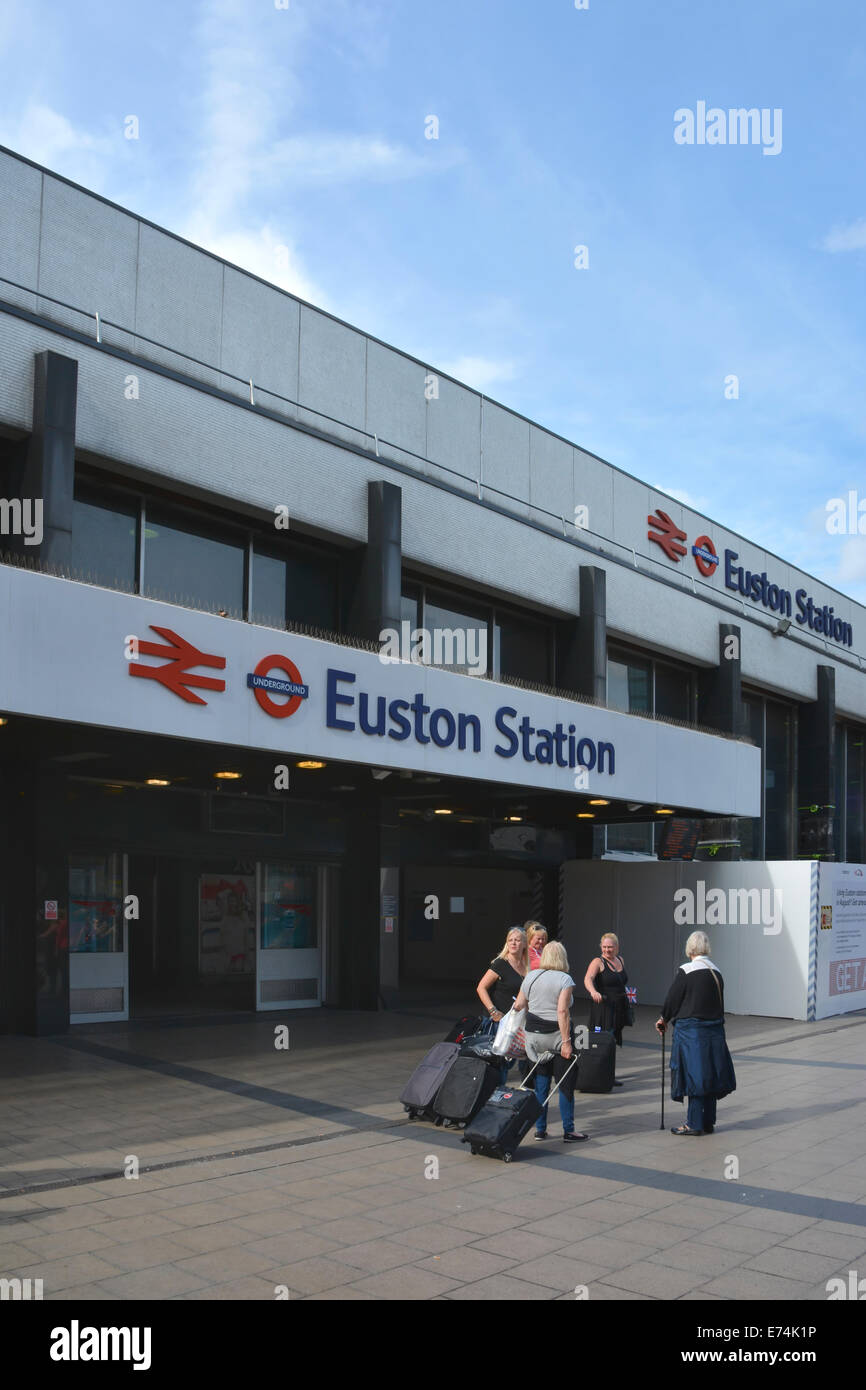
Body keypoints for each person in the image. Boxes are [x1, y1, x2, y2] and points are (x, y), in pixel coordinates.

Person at [655, 930, 736, 1136]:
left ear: (690, 948)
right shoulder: (716, 971)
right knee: (708, 1076)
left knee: (694, 1076)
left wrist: (663, 1018)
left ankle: (694, 1123)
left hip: (692, 1032)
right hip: (715, 1031)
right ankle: (708, 1122)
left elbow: (673, 998)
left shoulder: (687, 970)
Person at [513, 941, 587, 1143]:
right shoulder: (565, 979)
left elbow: (519, 1004)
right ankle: (569, 1131)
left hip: (534, 1039)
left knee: (541, 1086)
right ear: (562, 957)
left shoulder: (530, 976)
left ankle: (539, 1130)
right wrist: (566, 1042)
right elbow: (562, 1011)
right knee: (564, 1084)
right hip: (556, 1037)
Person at [477, 926, 528, 1083]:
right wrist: (493, 1011)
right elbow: (481, 987)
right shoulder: (501, 963)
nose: (513, 943)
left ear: (524, 943)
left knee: (513, 1060)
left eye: (517, 940)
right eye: (510, 940)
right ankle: (495, 1095)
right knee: (498, 1064)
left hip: (517, 1022)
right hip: (499, 1022)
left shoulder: (528, 966)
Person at [583, 932, 628, 1084]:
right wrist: (593, 991)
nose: (607, 950)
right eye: (604, 947)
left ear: (617, 947)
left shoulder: (620, 960)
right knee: (600, 1039)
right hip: (603, 1009)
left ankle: (609, 1074)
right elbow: (588, 978)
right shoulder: (598, 961)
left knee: (612, 1040)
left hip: (618, 1008)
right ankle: (597, 1074)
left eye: (610, 947)